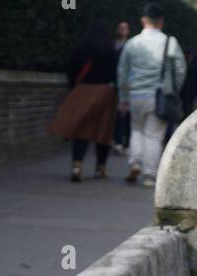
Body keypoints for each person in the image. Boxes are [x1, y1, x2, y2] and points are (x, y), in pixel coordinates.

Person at [117, 3, 186, 188]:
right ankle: (149, 174)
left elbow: (123, 72)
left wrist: (123, 97)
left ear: (143, 20)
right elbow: (180, 69)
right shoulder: (170, 42)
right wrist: (173, 88)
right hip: (159, 95)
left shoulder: (132, 43)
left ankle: (134, 162)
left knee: (136, 130)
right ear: (161, 22)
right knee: (154, 136)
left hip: (135, 95)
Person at [64, 20, 118, 182]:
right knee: (103, 131)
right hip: (104, 92)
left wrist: (74, 87)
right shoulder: (110, 49)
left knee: (81, 130)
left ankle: (77, 165)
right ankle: (100, 168)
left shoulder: (81, 47)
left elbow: (71, 69)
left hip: (83, 90)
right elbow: (115, 73)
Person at [113, 20, 131, 154]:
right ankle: (118, 140)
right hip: (114, 82)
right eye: (120, 28)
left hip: (127, 84)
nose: (122, 30)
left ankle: (124, 142)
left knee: (125, 114)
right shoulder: (113, 44)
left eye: (125, 28)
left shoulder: (131, 46)